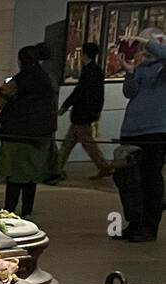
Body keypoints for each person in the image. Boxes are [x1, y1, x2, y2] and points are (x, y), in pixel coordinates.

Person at [0, 45, 58, 218]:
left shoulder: (20, 79)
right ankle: (27, 211)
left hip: (16, 134)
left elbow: (2, 94)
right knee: (31, 177)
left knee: (14, 176)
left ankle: (9, 209)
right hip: (39, 135)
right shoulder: (46, 79)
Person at [116, 28, 166, 242]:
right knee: (127, 180)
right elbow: (130, 92)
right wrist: (130, 71)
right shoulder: (142, 67)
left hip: (155, 131)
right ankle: (134, 222)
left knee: (149, 180)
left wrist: (145, 41)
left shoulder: (162, 69)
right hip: (132, 130)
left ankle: (149, 226)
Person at [54, 41, 113, 180]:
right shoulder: (97, 71)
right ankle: (56, 168)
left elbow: (79, 92)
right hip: (87, 113)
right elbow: (98, 94)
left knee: (81, 144)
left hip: (82, 114)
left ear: (85, 54)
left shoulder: (88, 71)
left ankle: (55, 169)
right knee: (78, 144)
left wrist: (66, 105)